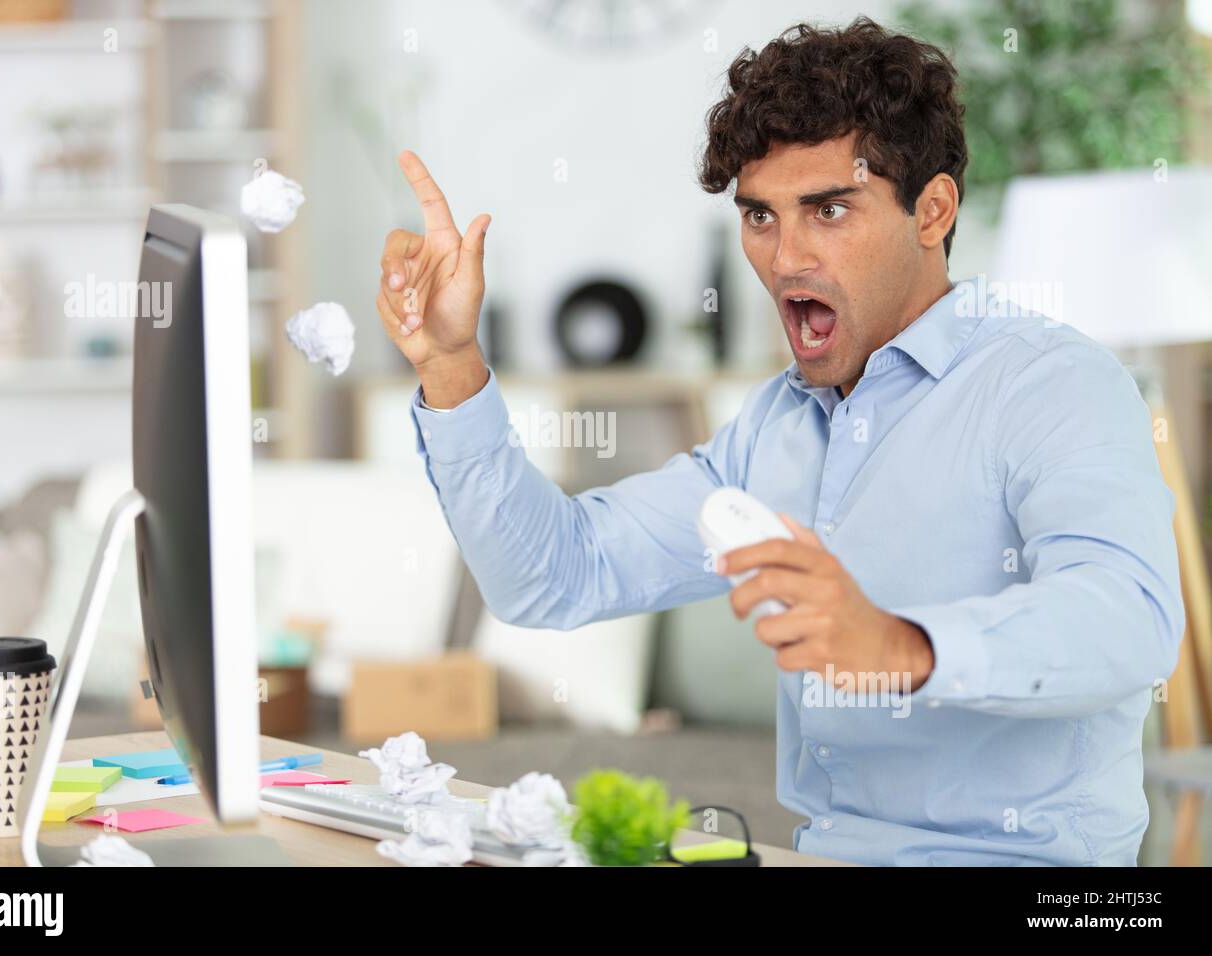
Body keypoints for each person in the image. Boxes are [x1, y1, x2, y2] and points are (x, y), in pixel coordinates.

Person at [373, 18, 1183, 866]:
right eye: (760, 215)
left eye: (830, 209)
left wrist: (901, 646)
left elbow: (1128, 620)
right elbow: (554, 575)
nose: (787, 256)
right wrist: (454, 364)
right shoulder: (778, 426)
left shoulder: (1052, 383)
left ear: (931, 211)